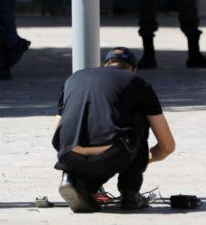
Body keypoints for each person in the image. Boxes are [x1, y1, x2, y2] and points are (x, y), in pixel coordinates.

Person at [52, 47, 176, 213]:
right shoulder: (136, 81)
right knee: (138, 117)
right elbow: (167, 145)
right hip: (113, 156)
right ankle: (130, 192)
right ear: (133, 69)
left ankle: (73, 180)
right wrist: (145, 158)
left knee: (86, 134)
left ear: (105, 65)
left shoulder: (74, 78)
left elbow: (57, 134)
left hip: (69, 157)